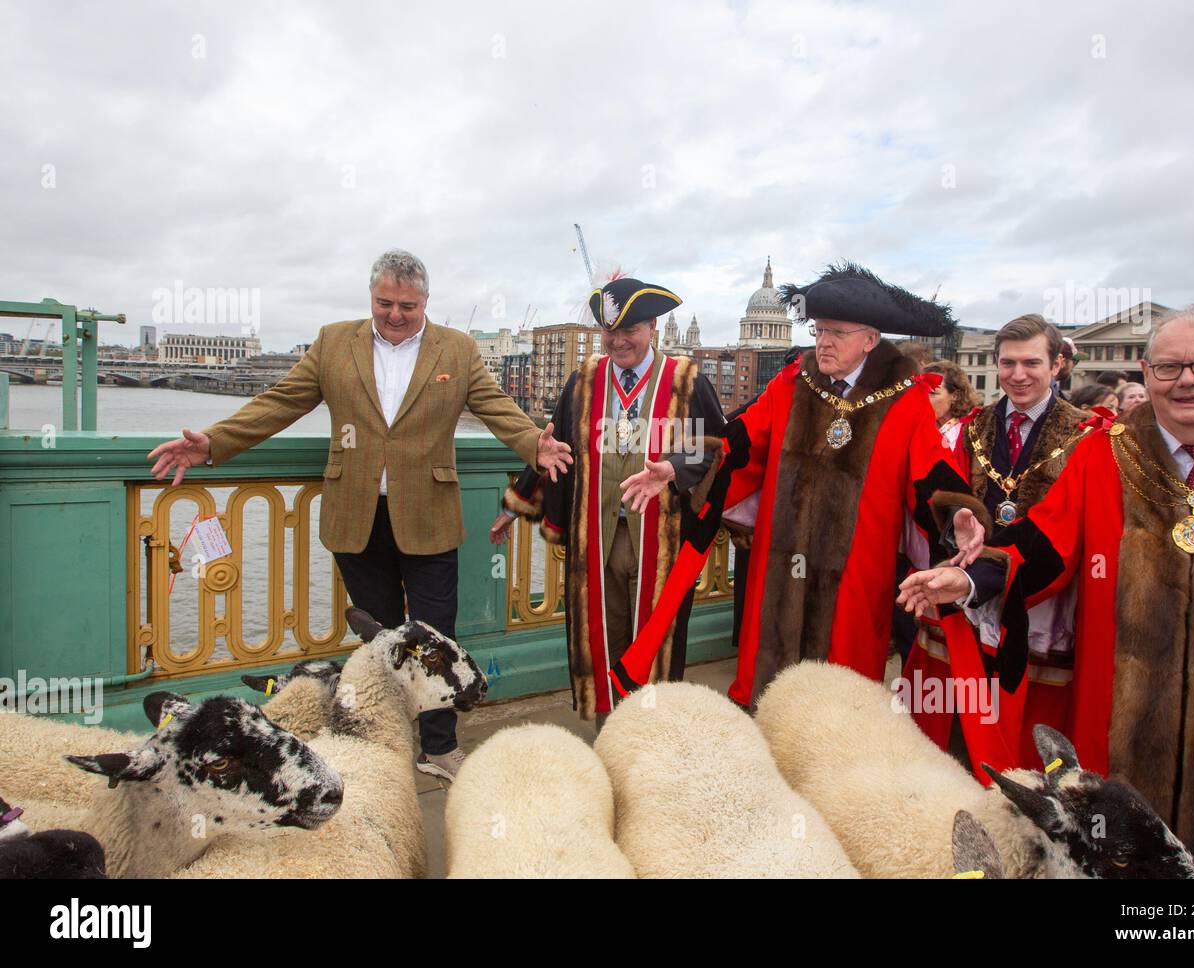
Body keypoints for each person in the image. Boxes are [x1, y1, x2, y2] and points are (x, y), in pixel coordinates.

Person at [899, 306, 1194, 877]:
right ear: (1146, 371)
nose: (1186, 380)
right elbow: (1042, 547)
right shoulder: (1105, 453)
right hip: (1119, 717)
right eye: (1168, 367)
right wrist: (969, 577)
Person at [147, 249, 573, 780]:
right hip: (356, 516)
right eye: (385, 303)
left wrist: (535, 444)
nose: (395, 314)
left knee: (435, 637)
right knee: (380, 638)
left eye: (408, 306)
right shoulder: (333, 341)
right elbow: (280, 402)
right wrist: (212, 443)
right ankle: (385, 738)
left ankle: (437, 747)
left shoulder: (457, 350)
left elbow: (494, 406)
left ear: (426, 302)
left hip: (430, 516)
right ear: (372, 297)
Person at [608, 263, 990, 711]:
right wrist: (677, 466)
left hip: (856, 575)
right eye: (819, 330)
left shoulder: (904, 401)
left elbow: (931, 477)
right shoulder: (793, 384)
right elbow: (739, 439)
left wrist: (960, 515)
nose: (823, 342)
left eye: (837, 333)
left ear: (870, 340)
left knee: (840, 705)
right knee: (770, 697)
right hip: (779, 569)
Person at [488, 277, 725, 723]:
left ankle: (653, 736)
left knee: (655, 639)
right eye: (609, 331)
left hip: (662, 537)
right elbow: (552, 447)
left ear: (652, 326)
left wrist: (674, 469)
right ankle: (609, 726)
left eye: (629, 330)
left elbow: (712, 448)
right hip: (598, 534)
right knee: (604, 635)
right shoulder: (584, 381)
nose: (618, 341)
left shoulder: (684, 380)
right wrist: (514, 506)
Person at [905, 315, 1090, 762]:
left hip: (1040, 593)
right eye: (1007, 363)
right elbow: (939, 493)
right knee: (952, 718)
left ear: (1058, 364)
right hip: (967, 582)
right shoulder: (974, 426)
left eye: (1032, 362)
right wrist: (958, 518)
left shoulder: (1087, 433)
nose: (1018, 375)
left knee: (1027, 725)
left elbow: (1076, 522)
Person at [923, 359, 978, 449]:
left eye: (933, 393)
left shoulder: (971, 436)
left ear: (955, 396)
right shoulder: (915, 431)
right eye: (921, 392)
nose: (924, 399)